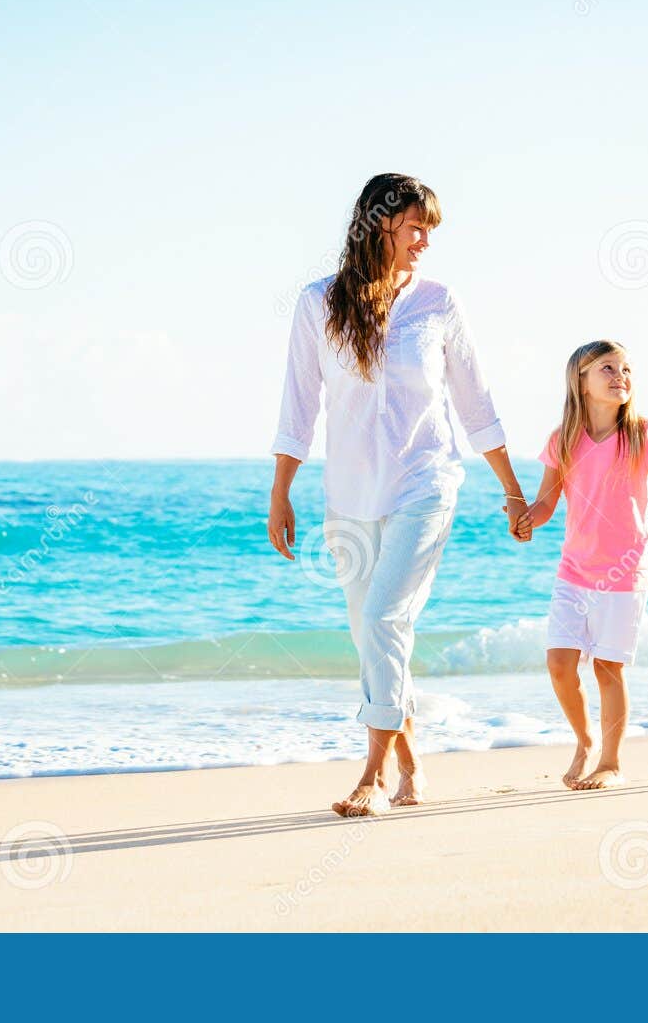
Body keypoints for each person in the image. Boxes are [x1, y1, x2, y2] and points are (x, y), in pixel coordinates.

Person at [269, 173, 529, 817]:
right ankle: (412, 764)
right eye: (416, 228)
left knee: (384, 619)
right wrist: (281, 492)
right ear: (379, 224)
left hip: (425, 484)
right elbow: (298, 404)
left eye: (428, 231)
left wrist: (512, 491)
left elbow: (475, 402)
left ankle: (373, 775)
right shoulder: (318, 303)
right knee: (371, 633)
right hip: (348, 494)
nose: (424, 242)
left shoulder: (439, 302)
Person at [514, 340, 648, 790]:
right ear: (580, 381)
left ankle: (611, 762)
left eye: (626, 369)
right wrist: (526, 519)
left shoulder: (642, 434)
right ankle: (584, 741)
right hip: (573, 572)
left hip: (624, 577)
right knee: (559, 665)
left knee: (607, 669)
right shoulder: (562, 439)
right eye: (607, 368)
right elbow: (546, 504)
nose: (621, 376)